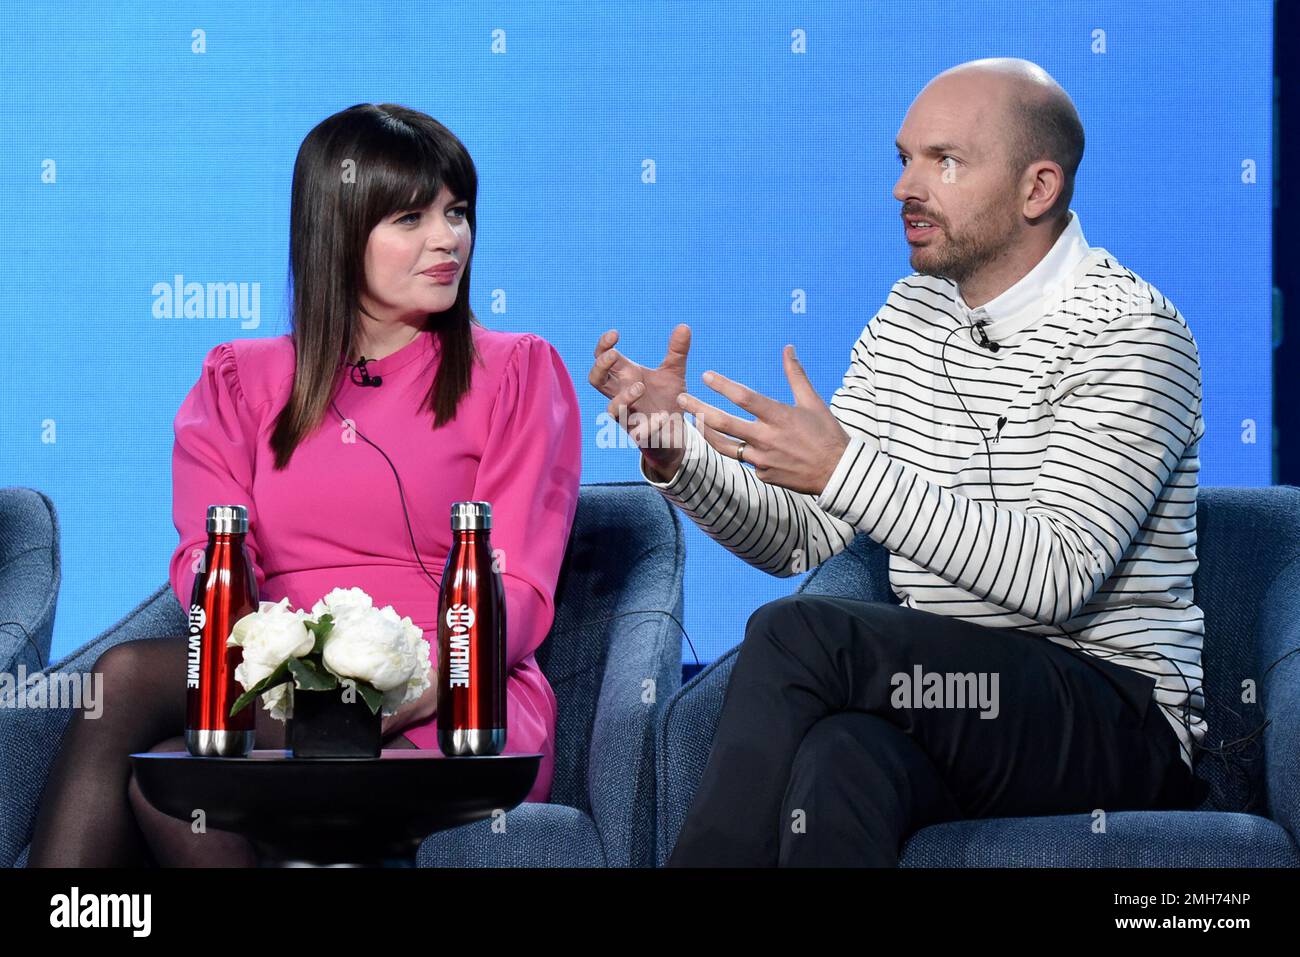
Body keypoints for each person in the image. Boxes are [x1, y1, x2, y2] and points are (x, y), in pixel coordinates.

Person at [590, 58, 1209, 866]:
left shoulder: (1132, 333)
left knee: (800, 635)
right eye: (904, 158)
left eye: (943, 162)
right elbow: (798, 538)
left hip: (1112, 714)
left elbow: (1057, 572)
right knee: (841, 760)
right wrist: (682, 458)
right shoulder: (911, 314)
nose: (904, 188)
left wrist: (843, 466)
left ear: (1038, 188)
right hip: (954, 699)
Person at [27, 103, 582, 867]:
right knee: (165, 778)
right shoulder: (240, 379)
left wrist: (416, 684)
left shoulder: (515, 370)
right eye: (411, 217)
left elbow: (516, 583)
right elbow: (208, 561)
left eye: (457, 212)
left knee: (126, 686)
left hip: (452, 699)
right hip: (281, 690)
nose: (448, 238)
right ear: (338, 228)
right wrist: (280, 664)